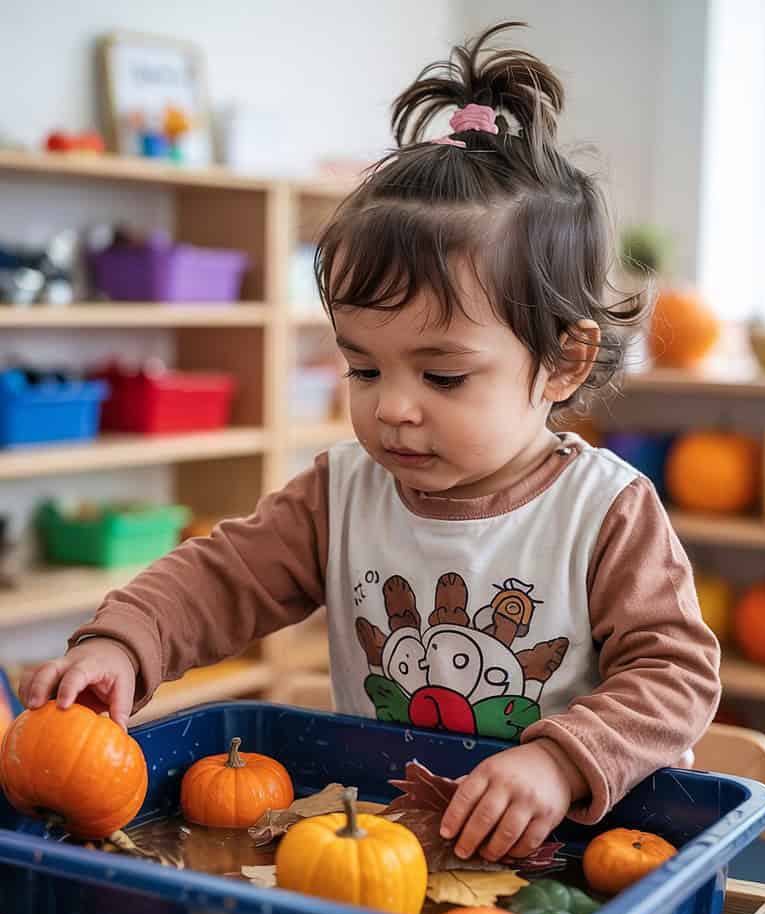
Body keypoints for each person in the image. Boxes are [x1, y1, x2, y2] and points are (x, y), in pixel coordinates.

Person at [20, 23, 720, 863]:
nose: (393, 410)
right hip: (385, 847)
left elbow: (676, 674)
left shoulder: (604, 511)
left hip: (573, 854)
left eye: (443, 377)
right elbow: (222, 575)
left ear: (563, 363)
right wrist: (122, 642)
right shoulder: (342, 490)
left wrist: (561, 760)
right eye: (362, 368)